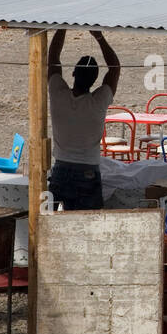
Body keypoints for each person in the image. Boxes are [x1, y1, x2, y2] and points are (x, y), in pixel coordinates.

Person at [47, 29, 120, 210]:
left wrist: (62, 27)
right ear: (95, 79)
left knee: (51, 224)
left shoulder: (58, 94)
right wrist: (99, 36)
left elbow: (53, 58)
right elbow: (115, 68)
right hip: (88, 171)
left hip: (60, 170)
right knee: (89, 225)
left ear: (73, 74)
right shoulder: (98, 101)